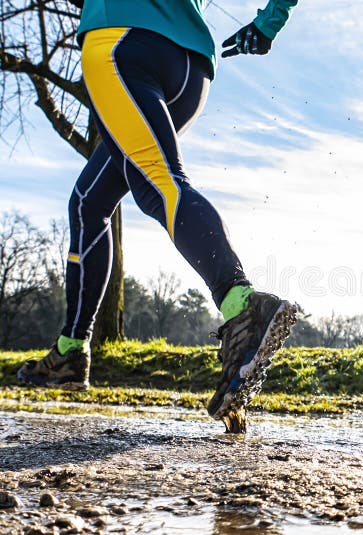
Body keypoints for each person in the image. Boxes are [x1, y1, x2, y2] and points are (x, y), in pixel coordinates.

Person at [17, 0, 300, 422]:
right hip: (190, 68)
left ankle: (242, 305)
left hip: (120, 42)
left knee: (160, 185)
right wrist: (269, 21)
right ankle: (71, 352)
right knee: (88, 203)